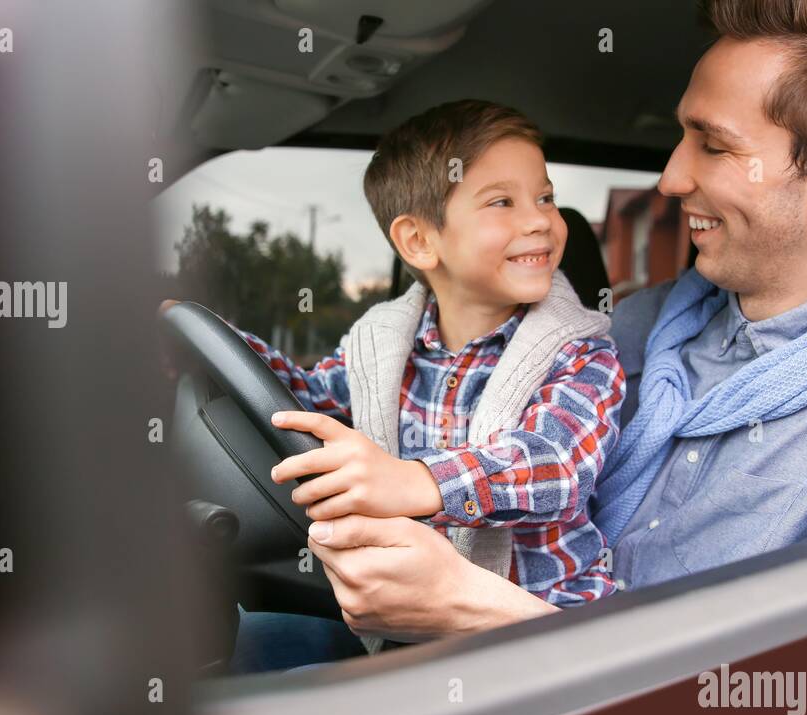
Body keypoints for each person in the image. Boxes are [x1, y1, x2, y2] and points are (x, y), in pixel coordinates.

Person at [296, 0, 807, 648]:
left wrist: (474, 609)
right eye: (681, 138)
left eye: (712, 145)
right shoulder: (639, 327)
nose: (671, 179)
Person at [225, 100, 626, 669]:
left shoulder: (581, 350)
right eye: (502, 202)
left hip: (540, 631)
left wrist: (415, 481)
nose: (540, 219)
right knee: (253, 637)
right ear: (418, 242)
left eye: (545, 196)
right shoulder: (382, 346)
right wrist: (209, 338)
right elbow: (305, 400)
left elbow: (556, 465)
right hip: (410, 626)